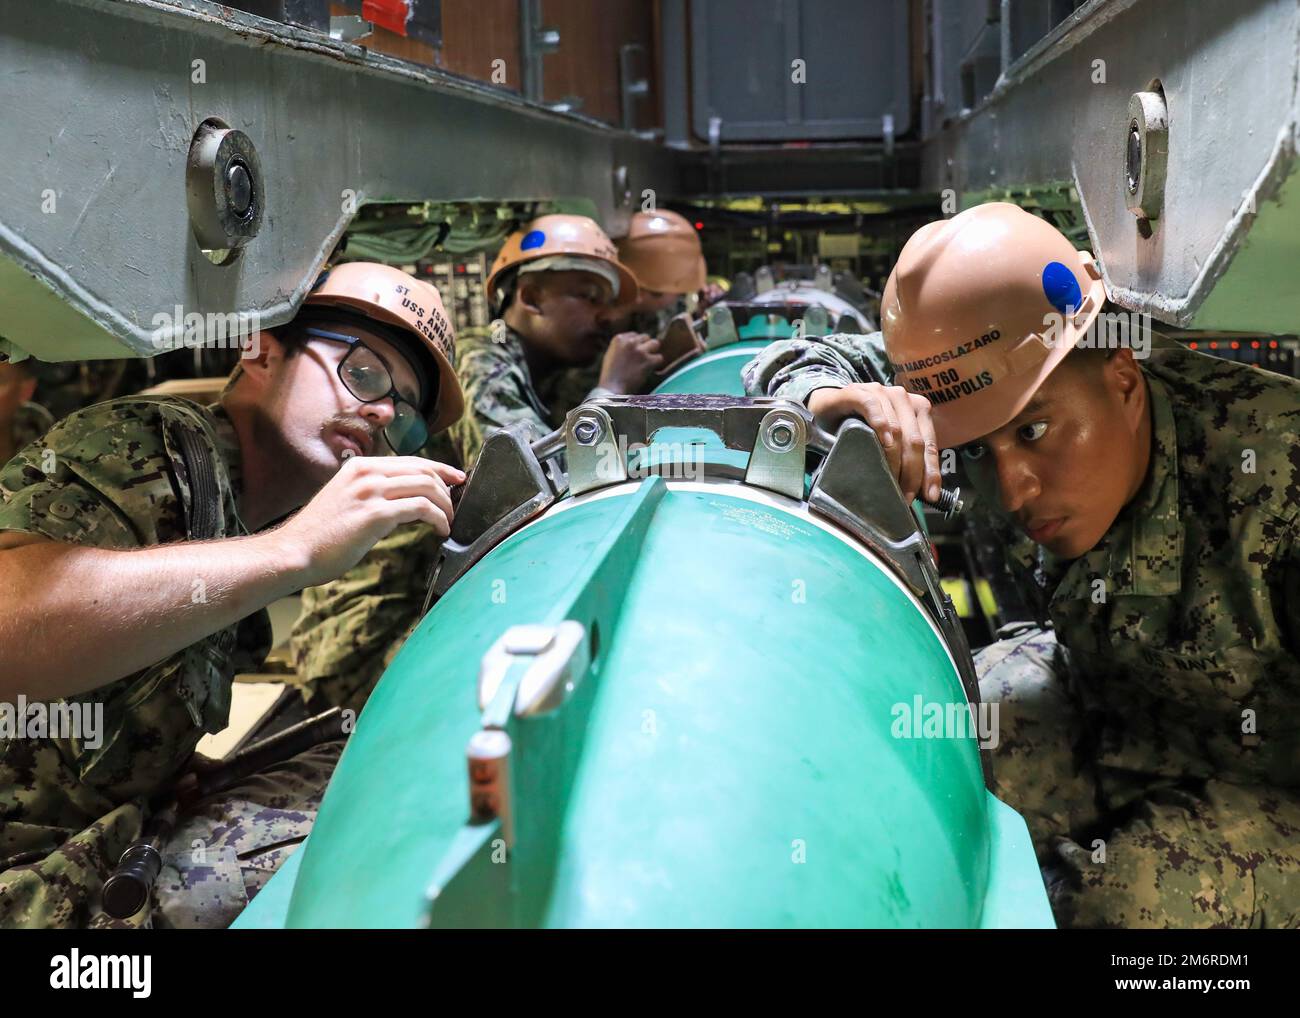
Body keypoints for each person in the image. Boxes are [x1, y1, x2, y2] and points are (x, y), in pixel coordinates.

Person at [744, 201, 1300, 927]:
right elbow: (789, 365)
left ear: (1125, 383)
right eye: (975, 450)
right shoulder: (991, 377)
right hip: (1120, 707)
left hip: (1274, 779)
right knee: (931, 757)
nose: (1011, 489)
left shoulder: (1276, 484)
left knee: (1127, 903)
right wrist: (826, 397)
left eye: (1035, 432)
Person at [0, 262, 465, 928]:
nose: (386, 411)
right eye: (362, 372)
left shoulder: (239, 516)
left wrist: (156, 764)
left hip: (98, 839)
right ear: (261, 350)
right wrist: (292, 552)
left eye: (406, 414)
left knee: (369, 768)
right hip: (27, 881)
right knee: (383, 839)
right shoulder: (151, 448)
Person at [289, 214, 663, 711]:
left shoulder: (540, 373)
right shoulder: (478, 359)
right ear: (529, 298)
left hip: (423, 616)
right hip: (367, 646)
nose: (606, 317)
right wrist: (610, 391)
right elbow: (531, 483)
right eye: (587, 296)